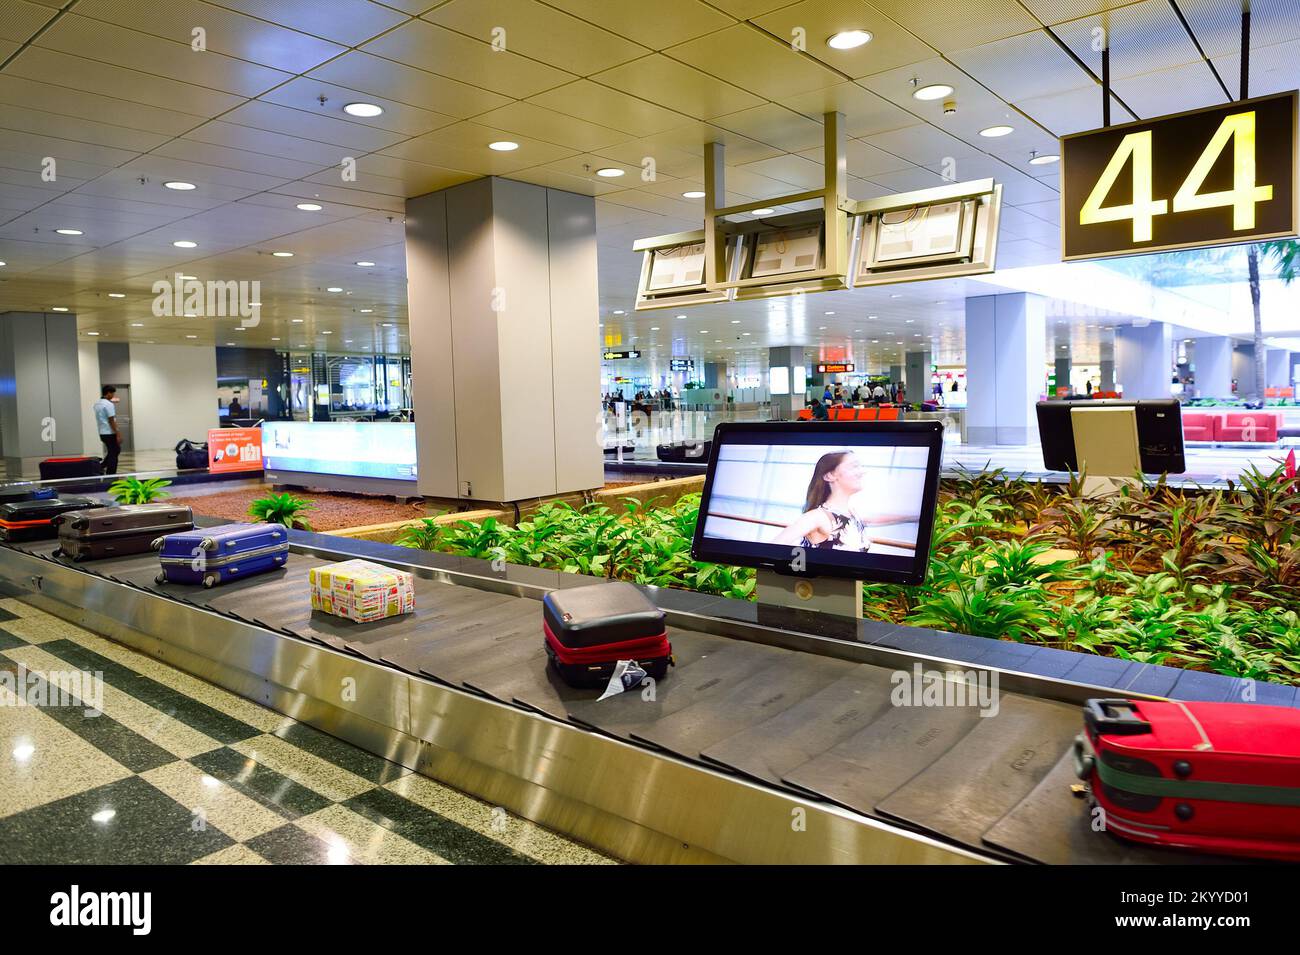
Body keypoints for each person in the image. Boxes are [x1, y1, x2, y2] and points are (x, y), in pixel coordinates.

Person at [771, 451, 921, 551]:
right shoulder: (818, 517)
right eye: (853, 467)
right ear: (830, 476)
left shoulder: (852, 514)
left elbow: (876, 518)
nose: (861, 472)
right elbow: (775, 546)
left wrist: (917, 516)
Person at [93, 385, 121, 475]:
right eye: (112, 393)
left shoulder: (97, 404)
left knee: (115, 450)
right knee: (114, 454)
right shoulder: (109, 405)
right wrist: (118, 433)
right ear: (108, 393)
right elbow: (111, 421)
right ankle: (111, 474)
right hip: (110, 432)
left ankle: (101, 466)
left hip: (102, 433)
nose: (113, 395)